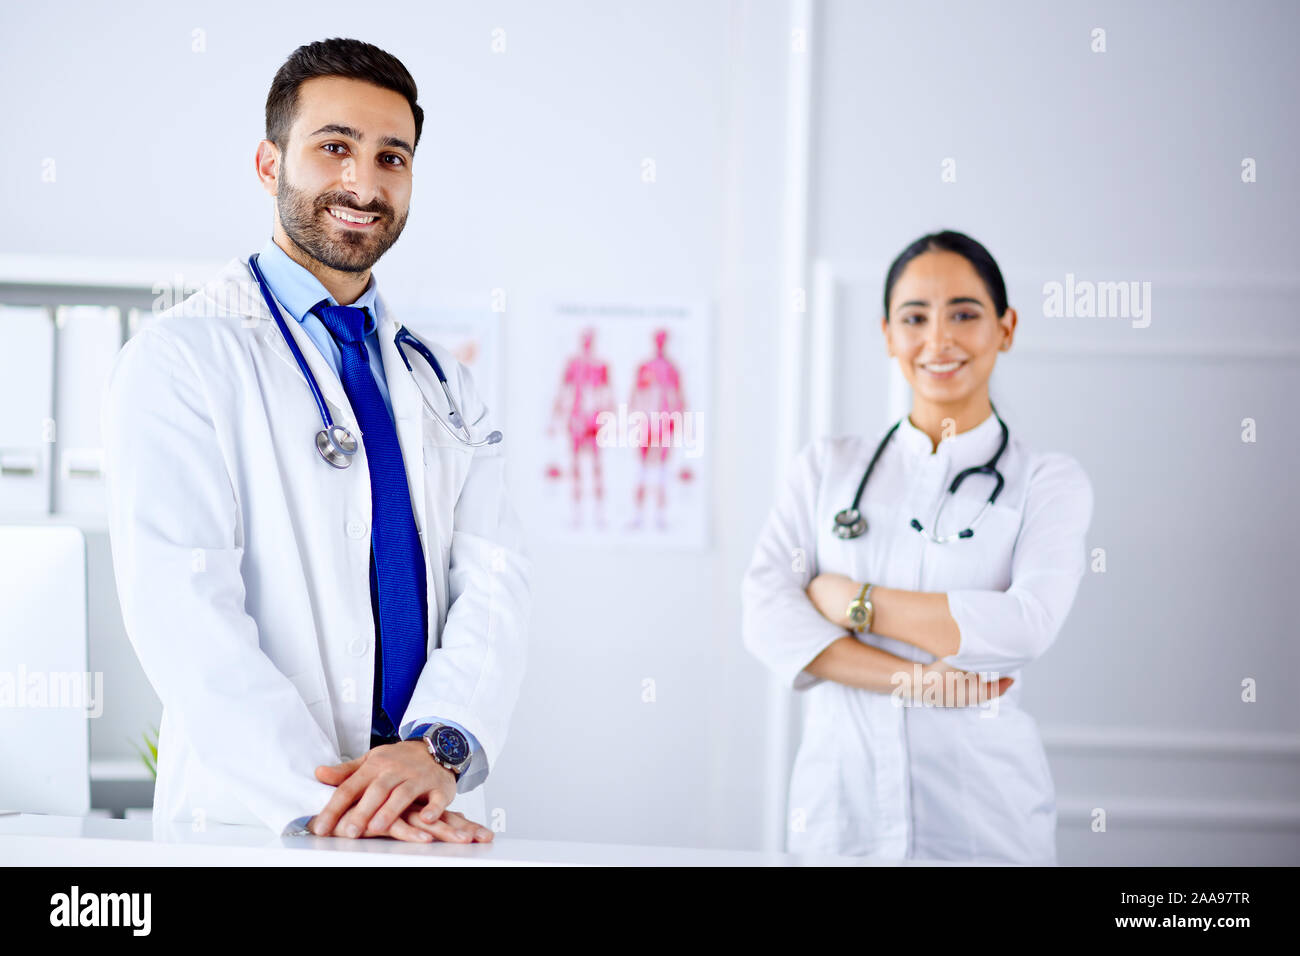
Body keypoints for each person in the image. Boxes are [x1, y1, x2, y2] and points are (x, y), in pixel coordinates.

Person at [101, 38, 531, 844]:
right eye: (334, 147)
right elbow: (183, 615)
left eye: (391, 158)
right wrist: (346, 807)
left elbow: (497, 585)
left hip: (426, 810)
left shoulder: (442, 383)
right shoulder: (181, 359)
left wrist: (438, 749)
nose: (363, 184)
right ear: (270, 165)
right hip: (261, 816)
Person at [741, 230, 1094, 864]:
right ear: (887, 335)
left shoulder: (1047, 481)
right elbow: (766, 614)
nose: (939, 339)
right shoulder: (828, 468)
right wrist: (914, 681)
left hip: (984, 820)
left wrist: (853, 599)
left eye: (964, 313)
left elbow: (1025, 626)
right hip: (839, 815)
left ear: (1006, 328)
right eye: (915, 317)